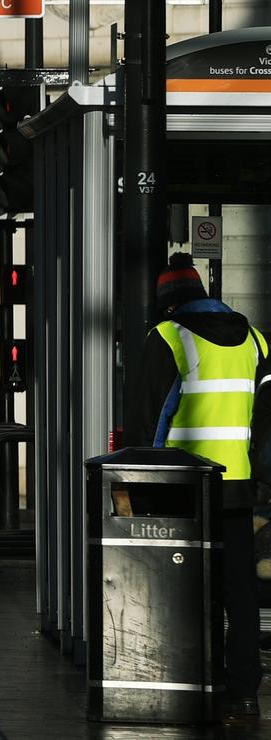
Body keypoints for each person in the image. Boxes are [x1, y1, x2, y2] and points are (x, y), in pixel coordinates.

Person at [128, 255, 268, 719]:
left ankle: (195, 680)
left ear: (168, 302)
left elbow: (149, 420)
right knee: (239, 591)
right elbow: (265, 420)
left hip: (180, 485)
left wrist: (140, 486)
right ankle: (243, 688)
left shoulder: (168, 337)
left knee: (186, 587)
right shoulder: (255, 340)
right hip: (238, 485)